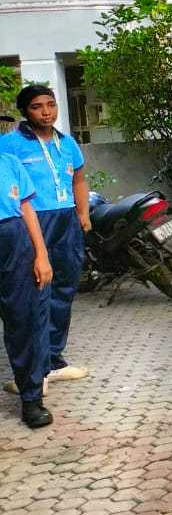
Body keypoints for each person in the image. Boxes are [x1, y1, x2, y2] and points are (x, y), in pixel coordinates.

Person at [0, 85, 90, 390]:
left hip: (66, 221)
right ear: (25, 111)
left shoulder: (67, 143)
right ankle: (32, 375)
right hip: (33, 225)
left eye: (50, 105)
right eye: (37, 106)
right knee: (34, 297)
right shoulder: (9, 145)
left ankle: (54, 362)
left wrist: (83, 213)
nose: (46, 111)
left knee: (63, 292)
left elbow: (79, 178)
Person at [0, 152, 54, 428]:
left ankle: (31, 400)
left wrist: (41, 254)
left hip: (13, 242)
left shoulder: (9, 162)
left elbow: (26, 207)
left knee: (23, 321)